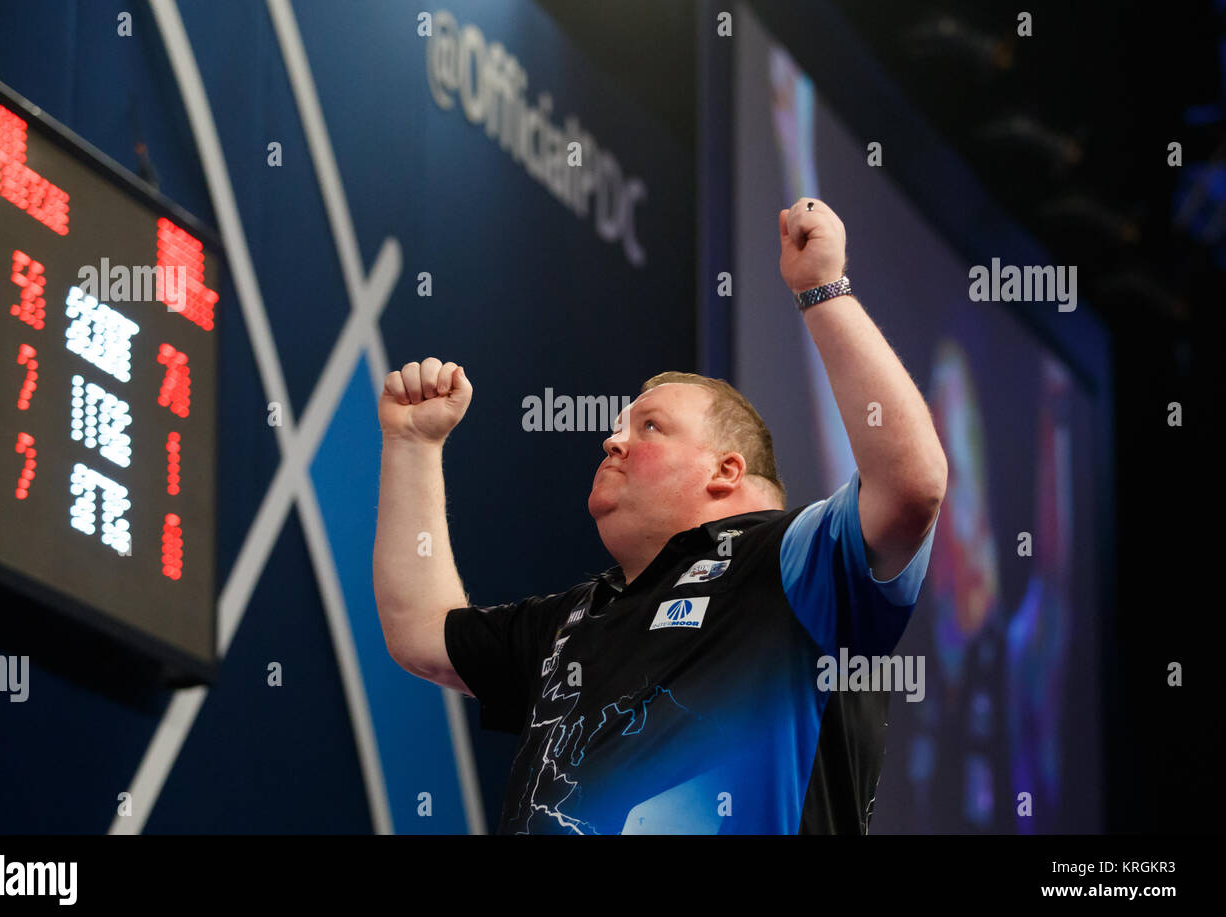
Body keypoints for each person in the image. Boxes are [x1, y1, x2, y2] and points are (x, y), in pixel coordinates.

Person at [373, 199, 947, 834]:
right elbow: (422, 636)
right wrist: (412, 447)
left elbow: (911, 487)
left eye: (649, 427)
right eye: (616, 427)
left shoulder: (790, 563)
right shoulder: (575, 619)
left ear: (726, 471)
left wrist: (823, 289)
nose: (612, 441)